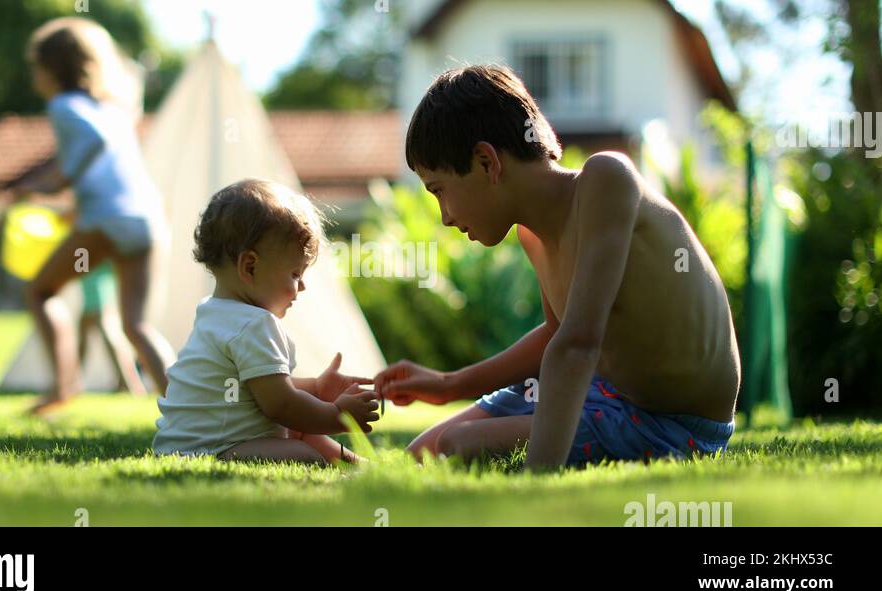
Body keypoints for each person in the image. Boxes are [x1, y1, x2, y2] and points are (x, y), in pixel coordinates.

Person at [374, 65, 740, 471]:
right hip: (605, 395)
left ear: (485, 162)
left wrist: (539, 478)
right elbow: (556, 335)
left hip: (670, 425)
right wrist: (449, 384)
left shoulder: (605, 181)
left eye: (439, 190)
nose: (443, 216)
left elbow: (579, 342)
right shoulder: (533, 238)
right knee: (421, 453)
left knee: (458, 445)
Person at [10, 17, 174, 414]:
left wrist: (60, 180)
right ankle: (191, 409)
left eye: (37, 67)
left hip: (109, 220)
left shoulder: (64, 105)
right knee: (137, 326)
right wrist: (55, 190)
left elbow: (90, 146)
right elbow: (104, 167)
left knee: (40, 291)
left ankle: (63, 385)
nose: (34, 77)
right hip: (147, 220)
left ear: (53, 69)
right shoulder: (112, 109)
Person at [153, 179, 379, 464]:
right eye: (295, 275)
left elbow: (263, 383)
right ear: (250, 267)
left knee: (300, 431)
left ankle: (357, 466)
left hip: (187, 446)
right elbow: (280, 404)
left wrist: (317, 388)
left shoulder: (216, 312)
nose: (302, 287)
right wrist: (339, 417)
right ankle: (343, 467)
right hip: (213, 449)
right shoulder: (253, 323)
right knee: (303, 453)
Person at [77, 262, 146, 395]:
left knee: (112, 341)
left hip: (102, 300)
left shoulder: (102, 248)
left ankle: (132, 385)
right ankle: (71, 384)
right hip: (88, 301)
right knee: (82, 344)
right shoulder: (84, 251)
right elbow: (79, 268)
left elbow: (117, 267)